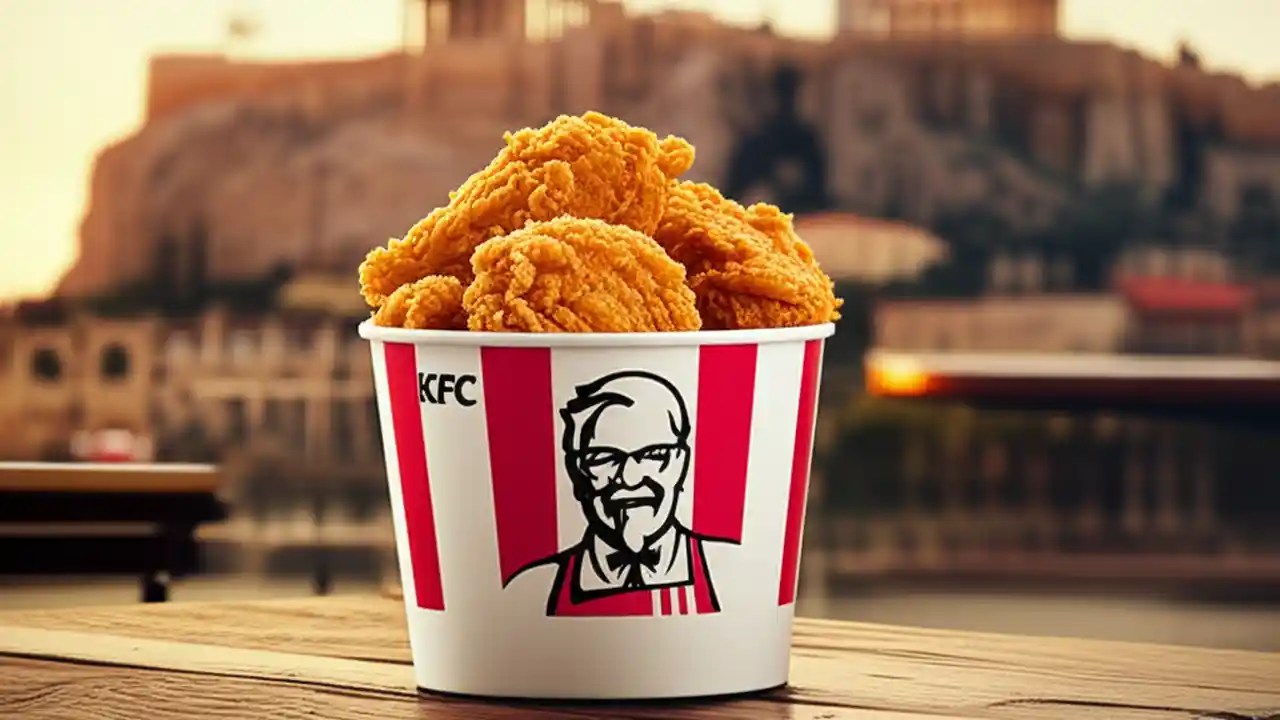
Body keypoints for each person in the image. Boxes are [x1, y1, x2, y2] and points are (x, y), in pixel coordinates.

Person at [513, 371, 721, 616]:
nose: (631, 479)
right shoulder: (534, 585)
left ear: (680, 463)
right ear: (577, 472)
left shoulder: (730, 572)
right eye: (604, 457)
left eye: (655, 455)